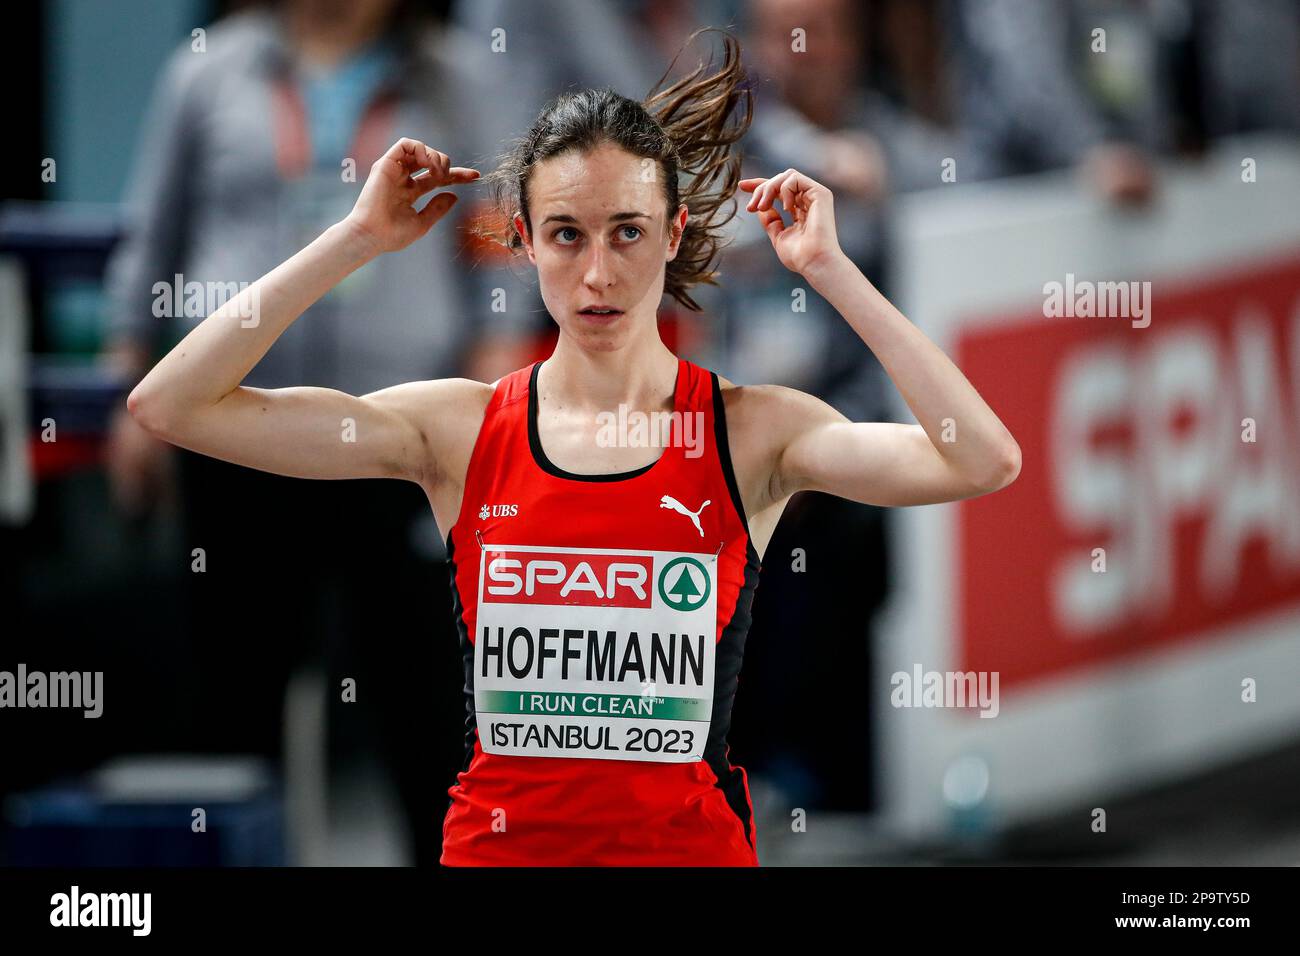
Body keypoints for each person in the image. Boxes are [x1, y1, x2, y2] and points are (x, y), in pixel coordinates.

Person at [125, 29, 1020, 866]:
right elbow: (173, 404)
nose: (598, 274)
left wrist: (832, 271)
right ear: (522, 241)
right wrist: (354, 240)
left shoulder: (750, 432)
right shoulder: (460, 430)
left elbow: (981, 459)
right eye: (566, 235)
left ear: (674, 234)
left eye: (628, 231)